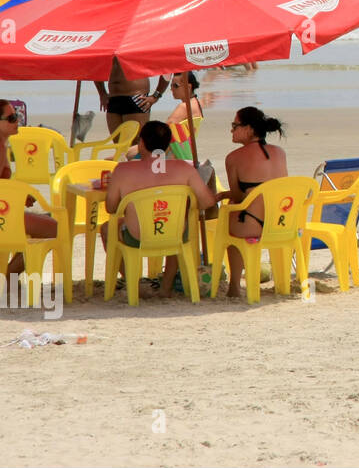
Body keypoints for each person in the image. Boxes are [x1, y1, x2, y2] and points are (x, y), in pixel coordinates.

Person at [103, 121, 216, 298]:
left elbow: (110, 208)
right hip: (175, 234)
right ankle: (166, 288)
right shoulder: (183, 169)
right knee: (176, 220)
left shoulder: (123, 170)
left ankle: (134, 284)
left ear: (141, 143)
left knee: (106, 228)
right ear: (168, 145)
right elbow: (208, 202)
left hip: (137, 237)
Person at [0, 99, 59, 277]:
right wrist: (20, 197)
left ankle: (9, 274)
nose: (18, 122)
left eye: (18, 116)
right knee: (57, 229)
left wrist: (21, 197)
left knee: (48, 222)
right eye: (12, 118)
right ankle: (8, 274)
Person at [216, 107, 287, 298]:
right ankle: (283, 283)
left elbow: (239, 197)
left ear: (248, 129)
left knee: (228, 227)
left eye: (234, 126)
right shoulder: (280, 152)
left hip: (252, 225)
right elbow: (272, 189)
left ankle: (234, 287)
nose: (231, 130)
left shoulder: (233, 158)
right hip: (281, 224)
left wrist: (223, 196)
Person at [93, 58, 171, 134]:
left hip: (136, 97)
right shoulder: (108, 46)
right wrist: (102, 93)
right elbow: (96, 65)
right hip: (113, 98)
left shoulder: (140, 45)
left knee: (136, 143)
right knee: (118, 144)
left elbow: (167, 66)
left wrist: (156, 96)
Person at [165, 71, 204, 160]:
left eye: (175, 86)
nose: (171, 89)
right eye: (171, 86)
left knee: (130, 153)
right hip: (184, 149)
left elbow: (164, 130)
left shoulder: (184, 107)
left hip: (173, 152)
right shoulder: (196, 103)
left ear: (188, 87)